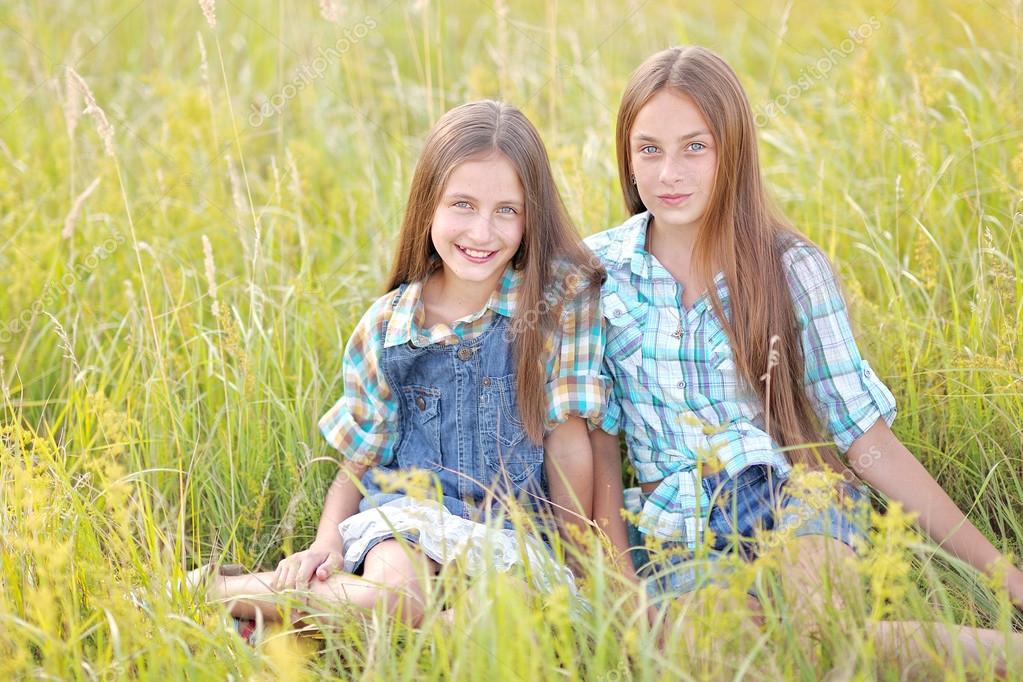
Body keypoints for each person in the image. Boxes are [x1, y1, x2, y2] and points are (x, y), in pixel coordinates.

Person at [587, 45, 1023, 668]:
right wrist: (625, 591)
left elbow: (864, 439)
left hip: (796, 497)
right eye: (649, 149)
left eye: (695, 146)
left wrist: (1007, 578)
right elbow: (595, 446)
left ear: (732, 151)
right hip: (674, 527)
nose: (669, 174)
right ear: (627, 159)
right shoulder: (595, 276)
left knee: (820, 630)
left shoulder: (790, 268)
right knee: (722, 656)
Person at [196, 100, 607, 629]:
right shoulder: (389, 327)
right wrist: (327, 543)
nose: (482, 232)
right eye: (462, 204)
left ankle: (297, 624)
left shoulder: (557, 305)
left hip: (514, 537)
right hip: (406, 520)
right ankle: (219, 590)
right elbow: (360, 461)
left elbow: (568, 440)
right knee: (397, 598)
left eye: (507, 210)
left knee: (486, 623)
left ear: (533, 217)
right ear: (429, 203)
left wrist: (577, 564)